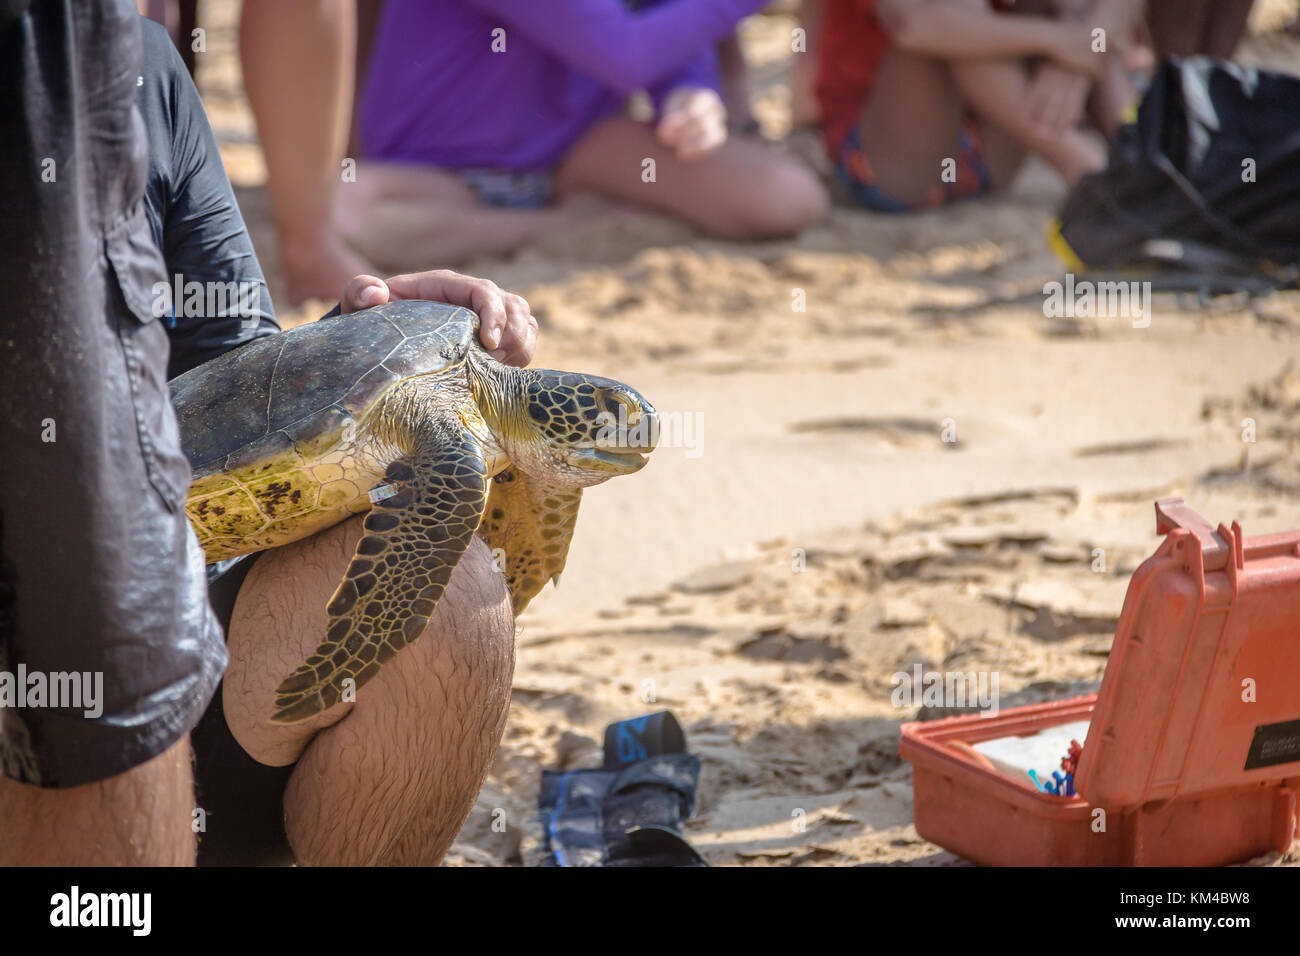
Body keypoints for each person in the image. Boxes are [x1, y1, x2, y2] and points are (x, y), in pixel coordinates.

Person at [2, 4, 534, 867]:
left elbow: (226, 365)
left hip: (163, 671)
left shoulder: (135, 65)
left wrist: (352, 353)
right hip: (62, 670)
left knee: (446, 592)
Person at [336, 0, 829, 270]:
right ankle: (559, 228)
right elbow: (624, 52)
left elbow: (661, 23)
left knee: (786, 197)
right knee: (340, 211)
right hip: (437, 173)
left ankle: (556, 218)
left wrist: (689, 94)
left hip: (578, 156)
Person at [816, 0, 1143, 214]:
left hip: (990, 148)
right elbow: (913, 25)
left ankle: (1141, 160)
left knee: (1081, 13)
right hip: (889, 165)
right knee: (956, 18)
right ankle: (1091, 171)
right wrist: (1062, 42)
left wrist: (1075, 59)